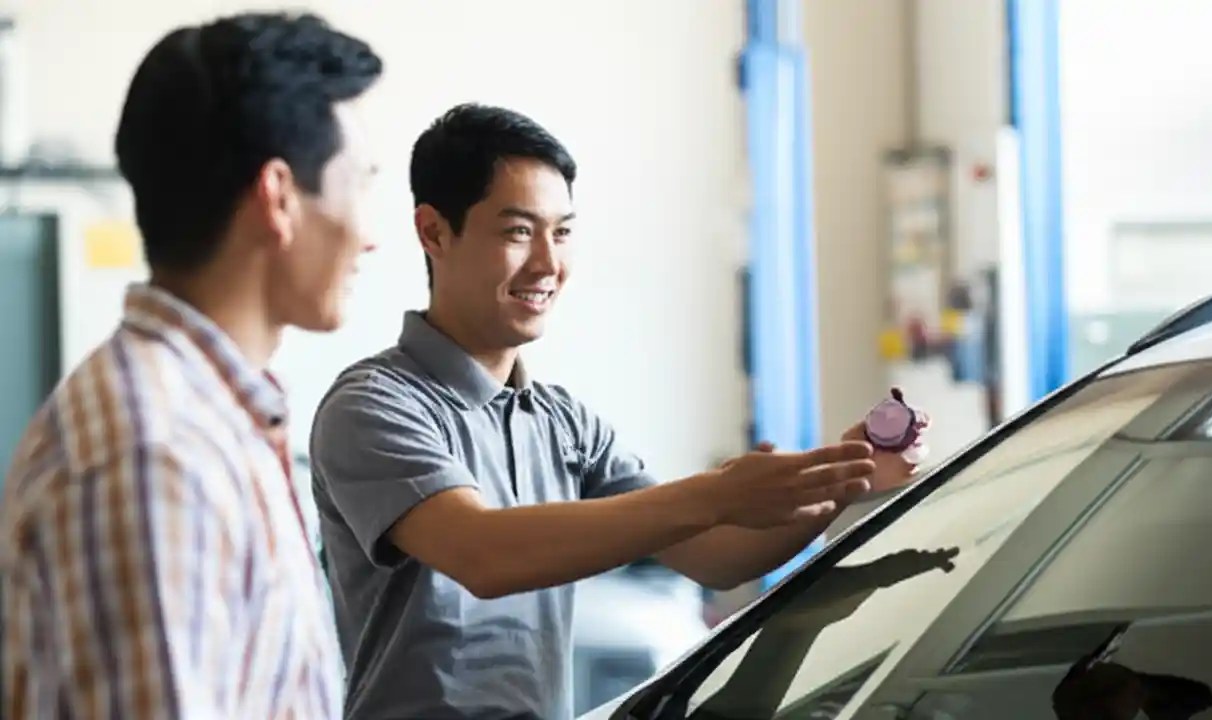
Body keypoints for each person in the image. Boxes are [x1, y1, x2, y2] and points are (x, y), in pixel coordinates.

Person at [309, 103, 928, 720]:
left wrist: (844, 480)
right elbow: (484, 554)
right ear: (434, 232)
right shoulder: (374, 405)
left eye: (563, 231)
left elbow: (715, 554)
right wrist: (717, 493)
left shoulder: (564, 422)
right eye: (518, 231)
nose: (549, 264)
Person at [0, 13, 381, 718]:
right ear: (279, 198)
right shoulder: (155, 453)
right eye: (359, 183)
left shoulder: (213, 419)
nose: (371, 233)